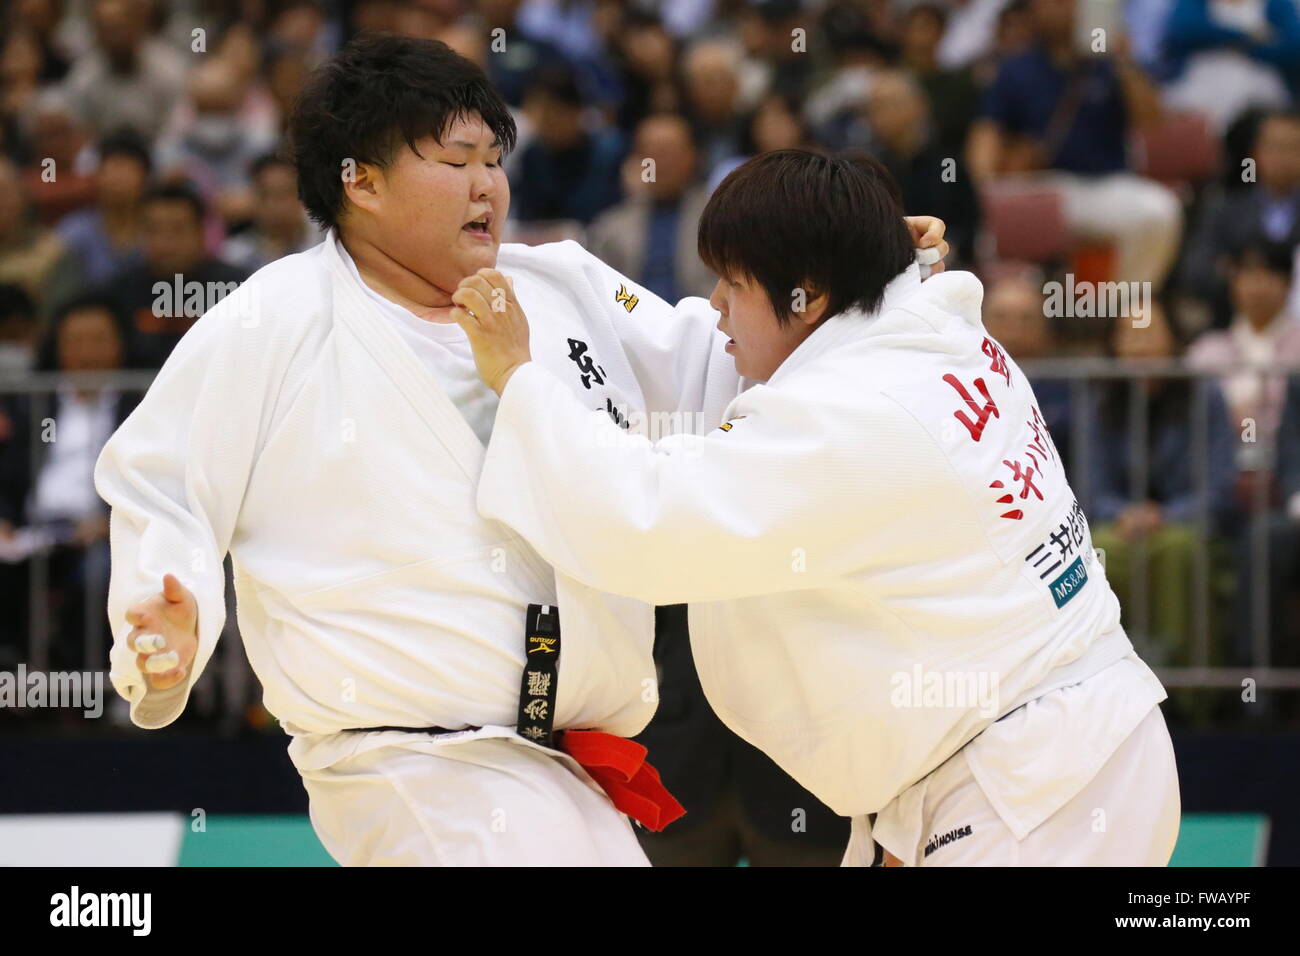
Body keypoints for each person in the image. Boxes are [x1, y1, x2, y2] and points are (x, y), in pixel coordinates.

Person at [92, 31, 951, 867]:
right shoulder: (271, 321)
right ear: (361, 182)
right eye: (455, 161)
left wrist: (857, 285)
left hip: (567, 760)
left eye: (493, 162)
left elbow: (721, 366)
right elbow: (166, 489)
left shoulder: (560, 283)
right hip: (412, 764)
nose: (486, 188)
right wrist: (164, 633)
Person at [451, 148, 1180, 866]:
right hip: (1036, 755)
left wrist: (519, 381)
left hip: (1033, 786)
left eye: (732, 284)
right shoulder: (928, 322)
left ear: (810, 294)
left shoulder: (856, 413)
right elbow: (750, 348)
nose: (714, 307)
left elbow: (647, 521)